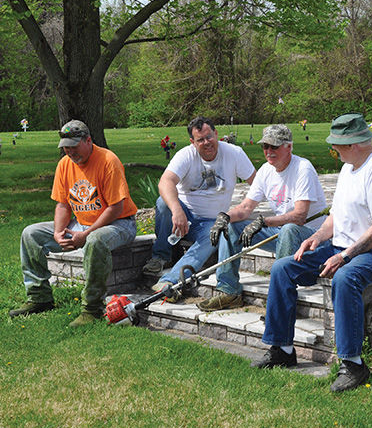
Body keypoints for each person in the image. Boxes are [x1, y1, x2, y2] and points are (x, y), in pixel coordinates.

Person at [250, 113, 372, 392]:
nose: (334, 150)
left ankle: (353, 364)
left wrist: (344, 257)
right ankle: (282, 349)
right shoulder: (349, 167)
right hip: (338, 245)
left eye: (337, 145)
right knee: (283, 268)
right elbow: (336, 216)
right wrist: (317, 238)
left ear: (353, 144)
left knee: (345, 277)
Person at [9, 120, 138, 327]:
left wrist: (85, 236)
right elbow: (62, 205)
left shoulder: (108, 160)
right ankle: (39, 298)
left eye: (74, 146)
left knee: (96, 240)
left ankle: (92, 308)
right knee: (31, 233)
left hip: (120, 224)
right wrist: (59, 233)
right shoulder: (64, 164)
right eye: (66, 147)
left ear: (88, 140)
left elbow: (116, 208)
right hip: (82, 225)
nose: (70, 151)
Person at [203, 124, 327, 311]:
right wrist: (224, 217)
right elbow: (245, 208)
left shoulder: (303, 168)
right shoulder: (265, 171)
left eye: (274, 146)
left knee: (289, 229)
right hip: (282, 234)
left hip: (311, 239)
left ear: (289, 147)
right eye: (265, 147)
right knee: (232, 226)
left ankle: (279, 301)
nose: (268, 151)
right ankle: (228, 291)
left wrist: (263, 222)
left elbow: (300, 216)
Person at [143, 116, 256, 300]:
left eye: (209, 136)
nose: (206, 142)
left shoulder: (234, 153)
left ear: (216, 133)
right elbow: (165, 182)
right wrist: (177, 210)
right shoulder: (186, 155)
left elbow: (256, 183)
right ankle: (161, 257)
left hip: (211, 222)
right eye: (200, 140)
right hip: (183, 217)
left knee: (218, 232)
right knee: (163, 203)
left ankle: (172, 281)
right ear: (192, 142)